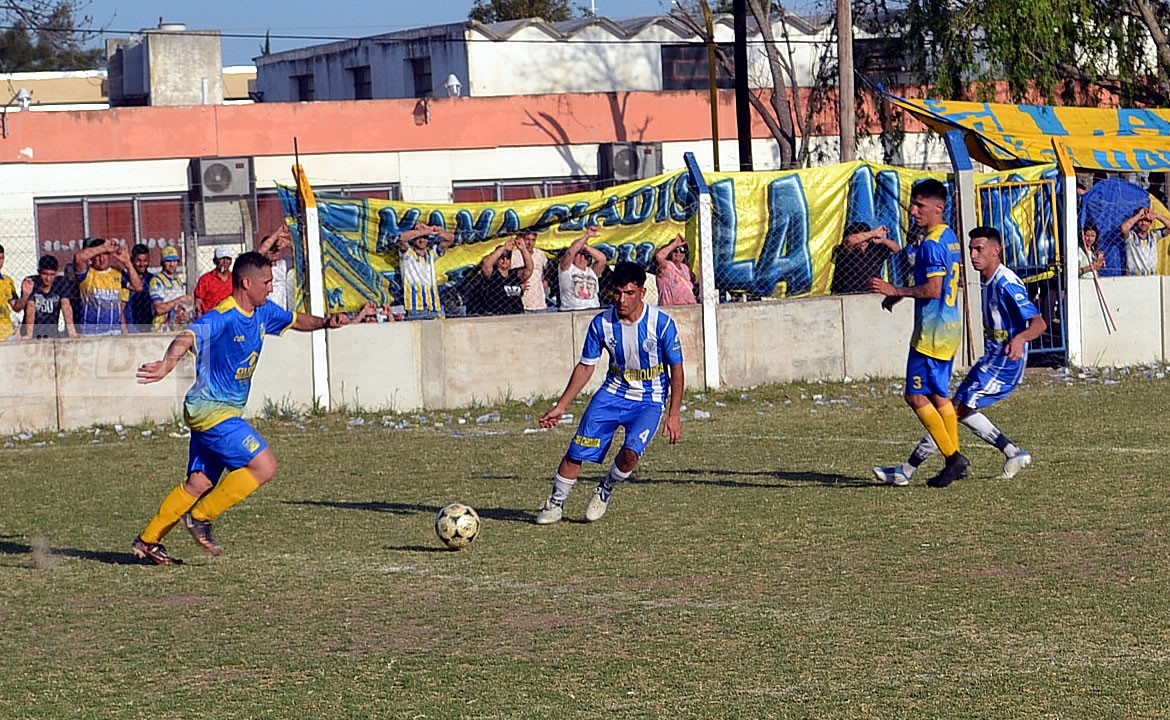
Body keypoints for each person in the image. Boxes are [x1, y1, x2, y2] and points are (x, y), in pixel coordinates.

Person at [131, 251, 354, 565]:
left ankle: (148, 540)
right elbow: (188, 334)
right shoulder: (224, 315)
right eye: (266, 282)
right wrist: (168, 363)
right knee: (264, 466)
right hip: (212, 410)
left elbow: (294, 320)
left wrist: (325, 323)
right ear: (246, 283)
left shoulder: (263, 312)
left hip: (217, 411)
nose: (270, 287)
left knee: (200, 482)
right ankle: (201, 517)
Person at [874, 227, 1046, 486]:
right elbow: (937, 284)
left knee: (951, 411)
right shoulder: (985, 277)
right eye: (971, 250)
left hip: (1004, 363)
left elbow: (1039, 323)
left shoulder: (1006, 283)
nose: (974, 255)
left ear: (995, 251)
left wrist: (1020, 339)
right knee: (959, 409)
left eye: (979, 249)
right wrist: (900, 295)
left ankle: (908, 469)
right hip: (992, 358)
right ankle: (1012, 452)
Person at [534, 261, 684, 524]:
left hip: (649, 401)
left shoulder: (661, 324)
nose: (622, 299)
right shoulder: (601, 323)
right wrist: (561, 406)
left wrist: (674, 414)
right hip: (612, 394)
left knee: (630, 454)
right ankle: (555, 503)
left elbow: (677, 370)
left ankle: (605, 489)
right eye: (617, 292)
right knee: (578, 451)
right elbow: (585, 367)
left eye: (629, 293)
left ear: (642, 292)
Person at [869, 178, 969, 488]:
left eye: (920, 206)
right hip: (949, 330)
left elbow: (934, 289)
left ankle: (954, 458)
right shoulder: (950, 236)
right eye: (913, 204)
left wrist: (895, 288)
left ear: (938, 207)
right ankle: (956, 463)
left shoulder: (930, 244)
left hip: (931, 333)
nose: (913, 211)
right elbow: (934, 283)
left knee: (914, 396)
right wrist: (899, 295)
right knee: (939, 397)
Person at [74, 238, 143, 336]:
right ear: (92, 257)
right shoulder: (87, 273)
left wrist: (128, 263)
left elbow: (138, 287)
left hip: (114, 332)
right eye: (97, 256)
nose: (101, 259)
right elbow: (78, 258)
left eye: (105, 254)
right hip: (91, 332)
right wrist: (103, 248)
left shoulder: (118, 273)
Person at [398, 222, 455, 320]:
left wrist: (431, 230)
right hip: (414, 307)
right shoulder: (407, 254)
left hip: (434, 307)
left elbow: (450, 238)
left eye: (424, 237)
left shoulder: (432, 253)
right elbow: (402, 238)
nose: (421, 240)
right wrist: (423, 231)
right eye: (418, 237)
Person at [465, 238, 532, 316]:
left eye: (508, 257)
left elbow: (529, 268)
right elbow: (486, 264)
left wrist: (523, 249)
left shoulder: (514, 274)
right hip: (495, 314)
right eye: (501, 257)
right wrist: (503, 248)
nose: (505, 260)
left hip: (515, 314)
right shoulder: (492, 274)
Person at [830, 221, 901, 294]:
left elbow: (896, 248)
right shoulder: (844, 250)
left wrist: (883, 240)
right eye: (861, 238)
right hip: (845, 292)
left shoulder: (874, 248)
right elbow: (850, 240)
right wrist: (874, 233)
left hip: (871, 292)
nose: (863, 242)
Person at [21, 255, 77, 339]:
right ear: (39, 272)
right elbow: (30, 308)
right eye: (45, 274)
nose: (48, 278)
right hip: (32, 331)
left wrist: (72, 332)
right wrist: (29, 335)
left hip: (51, 332)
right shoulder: (31, 282)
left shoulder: (60, 283)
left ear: (56, 273)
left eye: (52, 275)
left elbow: (66, 306)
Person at [558, 225, 607, 311]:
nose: (583, 257)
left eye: (586, 255)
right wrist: (586, 236)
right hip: (572, 310)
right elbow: (570, 253)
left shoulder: (592, 271)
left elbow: (602, 259)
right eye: (579, 253)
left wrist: (586, 247)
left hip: (593, 309)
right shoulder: (567, 269)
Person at [149, 245, 194, 332]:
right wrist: (180, 300)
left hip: (177, 327)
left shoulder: (178, 280)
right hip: (162, 329)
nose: (172, 264)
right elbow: (159, 309)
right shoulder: (157, 281)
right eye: (168, 261)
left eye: (174, 261)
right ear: (162, 262)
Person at [1120, 206, 1170, 276]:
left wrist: (1157, 216)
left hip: (1151, 278)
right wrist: (1138, 216)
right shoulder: (1131, 237)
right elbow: (1124, 228)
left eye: (1146, 220)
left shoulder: (1154, 236)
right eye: (1141, 220)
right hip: (1134, 278)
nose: (1143, 223)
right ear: (1137, 222)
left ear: (1150, 223)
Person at [509, 231, 552, 312]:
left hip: (539, 303)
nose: (530, 243)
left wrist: (546, 281)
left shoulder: (540, 254)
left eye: (533, 240)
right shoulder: (514, 255)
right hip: (523, 302)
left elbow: (548, 269)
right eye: (527, 239)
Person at [654, 234, 699, 305]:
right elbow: (659, 257)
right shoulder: (667, 267)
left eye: (682, 250)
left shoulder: (685, 268)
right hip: (670, 308)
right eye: (675, 250)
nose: (679, 253)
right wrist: (674, 244)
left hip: (688, 307)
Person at [257, 225, 293, 310]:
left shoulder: (284, 264)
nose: (274, 252)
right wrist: (276, 235)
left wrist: (288, 243)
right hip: (267, 310)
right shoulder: (259, 267)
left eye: (276, 249)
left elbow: (302, 255)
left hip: (284, 309)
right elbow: (260, 252)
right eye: (271, 249)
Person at [124, 244, 156, 333]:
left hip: (149, 323)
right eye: (138, 261)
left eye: (145, 261)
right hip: (130, 324)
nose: (142, 264)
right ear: (132, 260)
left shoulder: (153, 279)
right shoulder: (124, 278)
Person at [194, 247, 234, 315]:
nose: (225, 261)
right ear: (214, 261)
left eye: (228, 258)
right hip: (210, 319)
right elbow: (198, 302)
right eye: (222, 258)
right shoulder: (205, 279)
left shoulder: (235, 278)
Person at [0, 244, 18, 342]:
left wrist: (26, 296)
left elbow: (16, 307)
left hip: (7, 334)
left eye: (1, 258)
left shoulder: (8, 281)